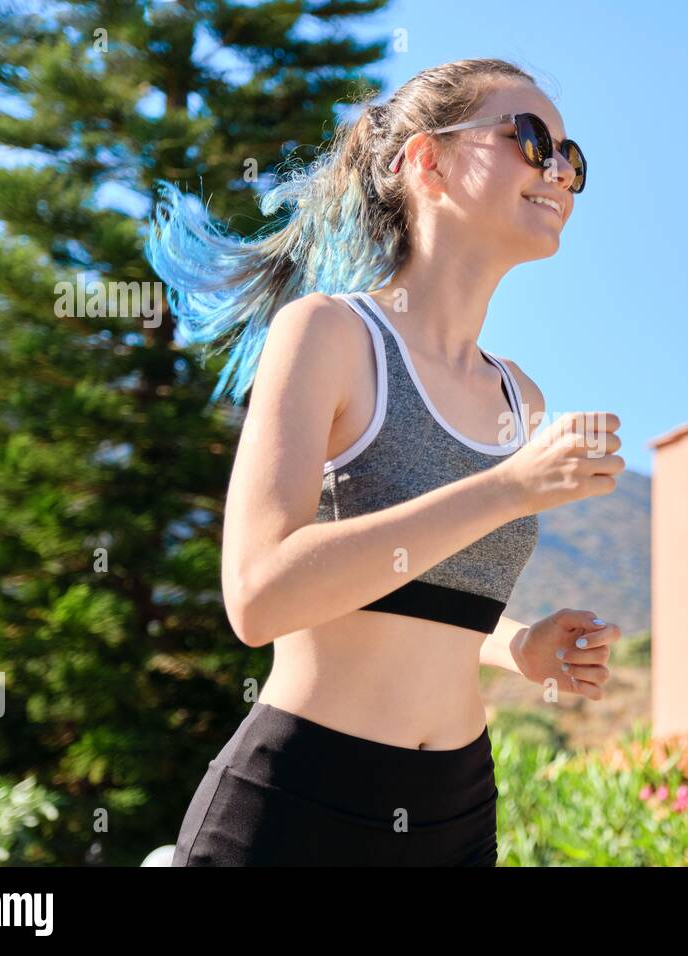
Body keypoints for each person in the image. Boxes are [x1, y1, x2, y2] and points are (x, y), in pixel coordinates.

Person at [145, 57, 624, 865]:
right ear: (424, 162)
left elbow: (408, 588)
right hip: (301, 803)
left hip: (456, 814)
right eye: (533, 139)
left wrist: (517, 647)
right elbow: (259, 595)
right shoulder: (328, 334)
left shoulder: (521, 398)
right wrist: (506, 488)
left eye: (572, 158)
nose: (559, 172)